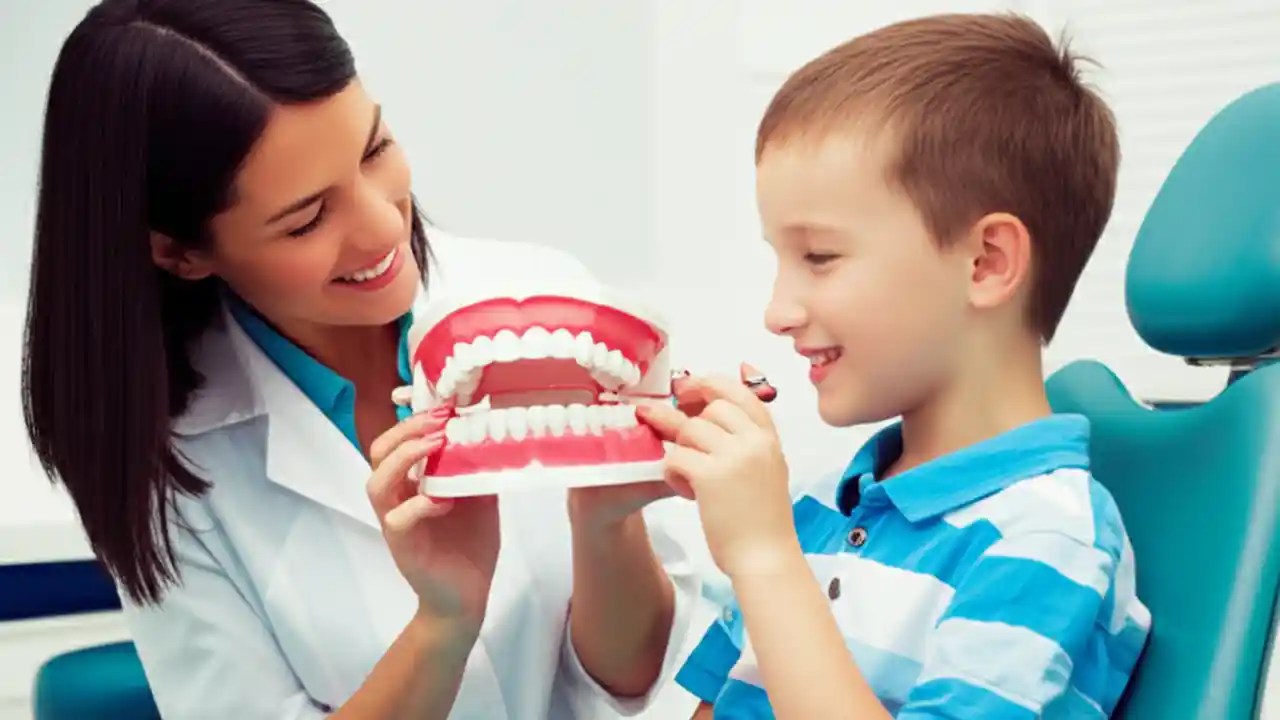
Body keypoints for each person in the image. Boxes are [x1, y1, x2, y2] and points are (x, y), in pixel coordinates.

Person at [20, 1, 710, 717]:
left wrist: (605, 522)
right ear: (181, 252)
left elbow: (634, 683)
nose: (384, 226)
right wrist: (443, 624)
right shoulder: (167, 466)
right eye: (308, 218)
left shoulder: (552, 306)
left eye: (375, 151)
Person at [637, 13, 1152, 719]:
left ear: (986, 263)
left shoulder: (1049, 541)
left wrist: (763, 557)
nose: (778, 310)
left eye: (819, 257)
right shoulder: (816, 511)